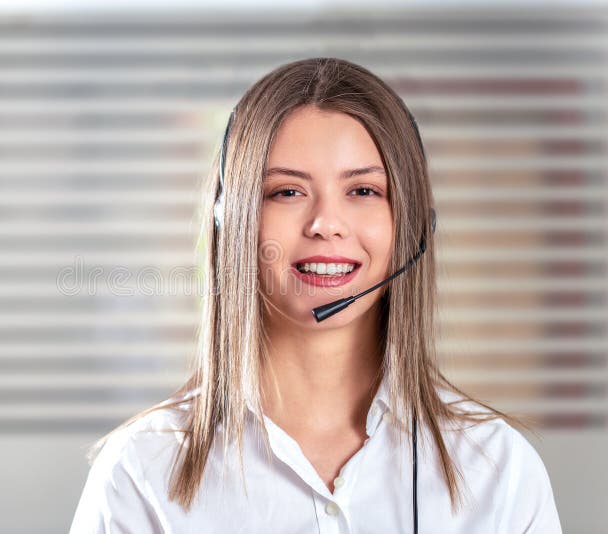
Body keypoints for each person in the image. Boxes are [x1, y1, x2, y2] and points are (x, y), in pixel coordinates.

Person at [68, 57, 563, 533]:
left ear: (414, 226)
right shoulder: (141, 471)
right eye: (287, 192)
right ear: (230, 221)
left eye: (363, 191)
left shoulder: (498, 469)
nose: (326, 224)